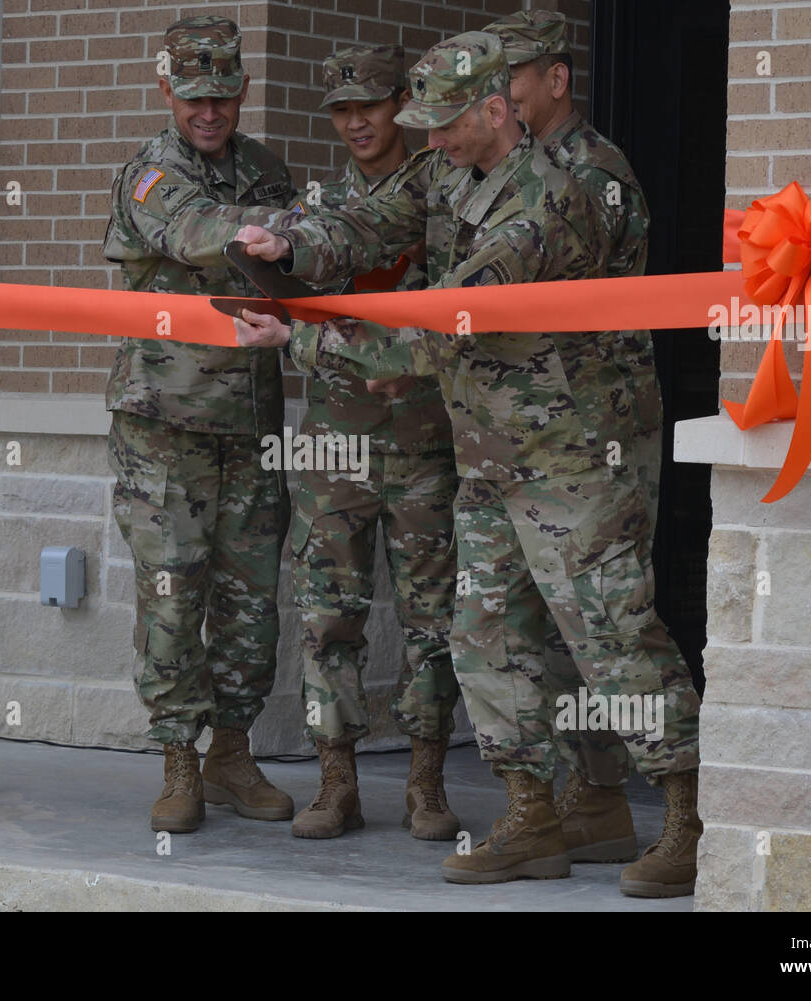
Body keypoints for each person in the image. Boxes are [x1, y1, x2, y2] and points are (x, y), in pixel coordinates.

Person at [231, 31, 704, 898]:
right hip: (487, 451)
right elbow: (375, 217)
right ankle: (531, 816)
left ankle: (686, 816)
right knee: (488, 637)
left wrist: (298, 336)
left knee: (610, 636)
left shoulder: (548, 205)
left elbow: (442, 329)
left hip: (572, 458)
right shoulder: (455, 173)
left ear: (498, 110)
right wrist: (286, 248)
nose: (434, 140)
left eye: (447, 123)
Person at [101, 14, 298, 834]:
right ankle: (179, 757)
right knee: (174, 595)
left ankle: (230, 752)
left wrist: (289, 231)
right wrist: (274, 233)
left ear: (242, 90)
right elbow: (195, 234)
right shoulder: (151, 173)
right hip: (166, 421)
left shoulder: (264, 167)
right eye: (193, 97)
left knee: (251, 600)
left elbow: (298, 262)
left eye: (222, 95)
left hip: (250, 420)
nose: (208, 111)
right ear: (166, 92)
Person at [483, 8, 662, 868]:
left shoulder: (591, 174)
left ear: (555, 79)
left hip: (595, 434)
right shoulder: (505, 170)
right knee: (536, 631)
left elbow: (515, 273)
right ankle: (585, 803)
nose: (499, 95)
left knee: (607, 626)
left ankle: (679, 817)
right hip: (524, 437)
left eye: (511, 77)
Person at [286, 43, 462, 842]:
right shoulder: (314, 211)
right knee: (328, 613)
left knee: (433, 615)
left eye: (372, 105)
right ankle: (336, 781)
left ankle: (425, 783)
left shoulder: (442, 192)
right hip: (334, 440)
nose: (358, 122)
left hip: (423, 436)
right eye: (343, 110)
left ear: (403, 104)